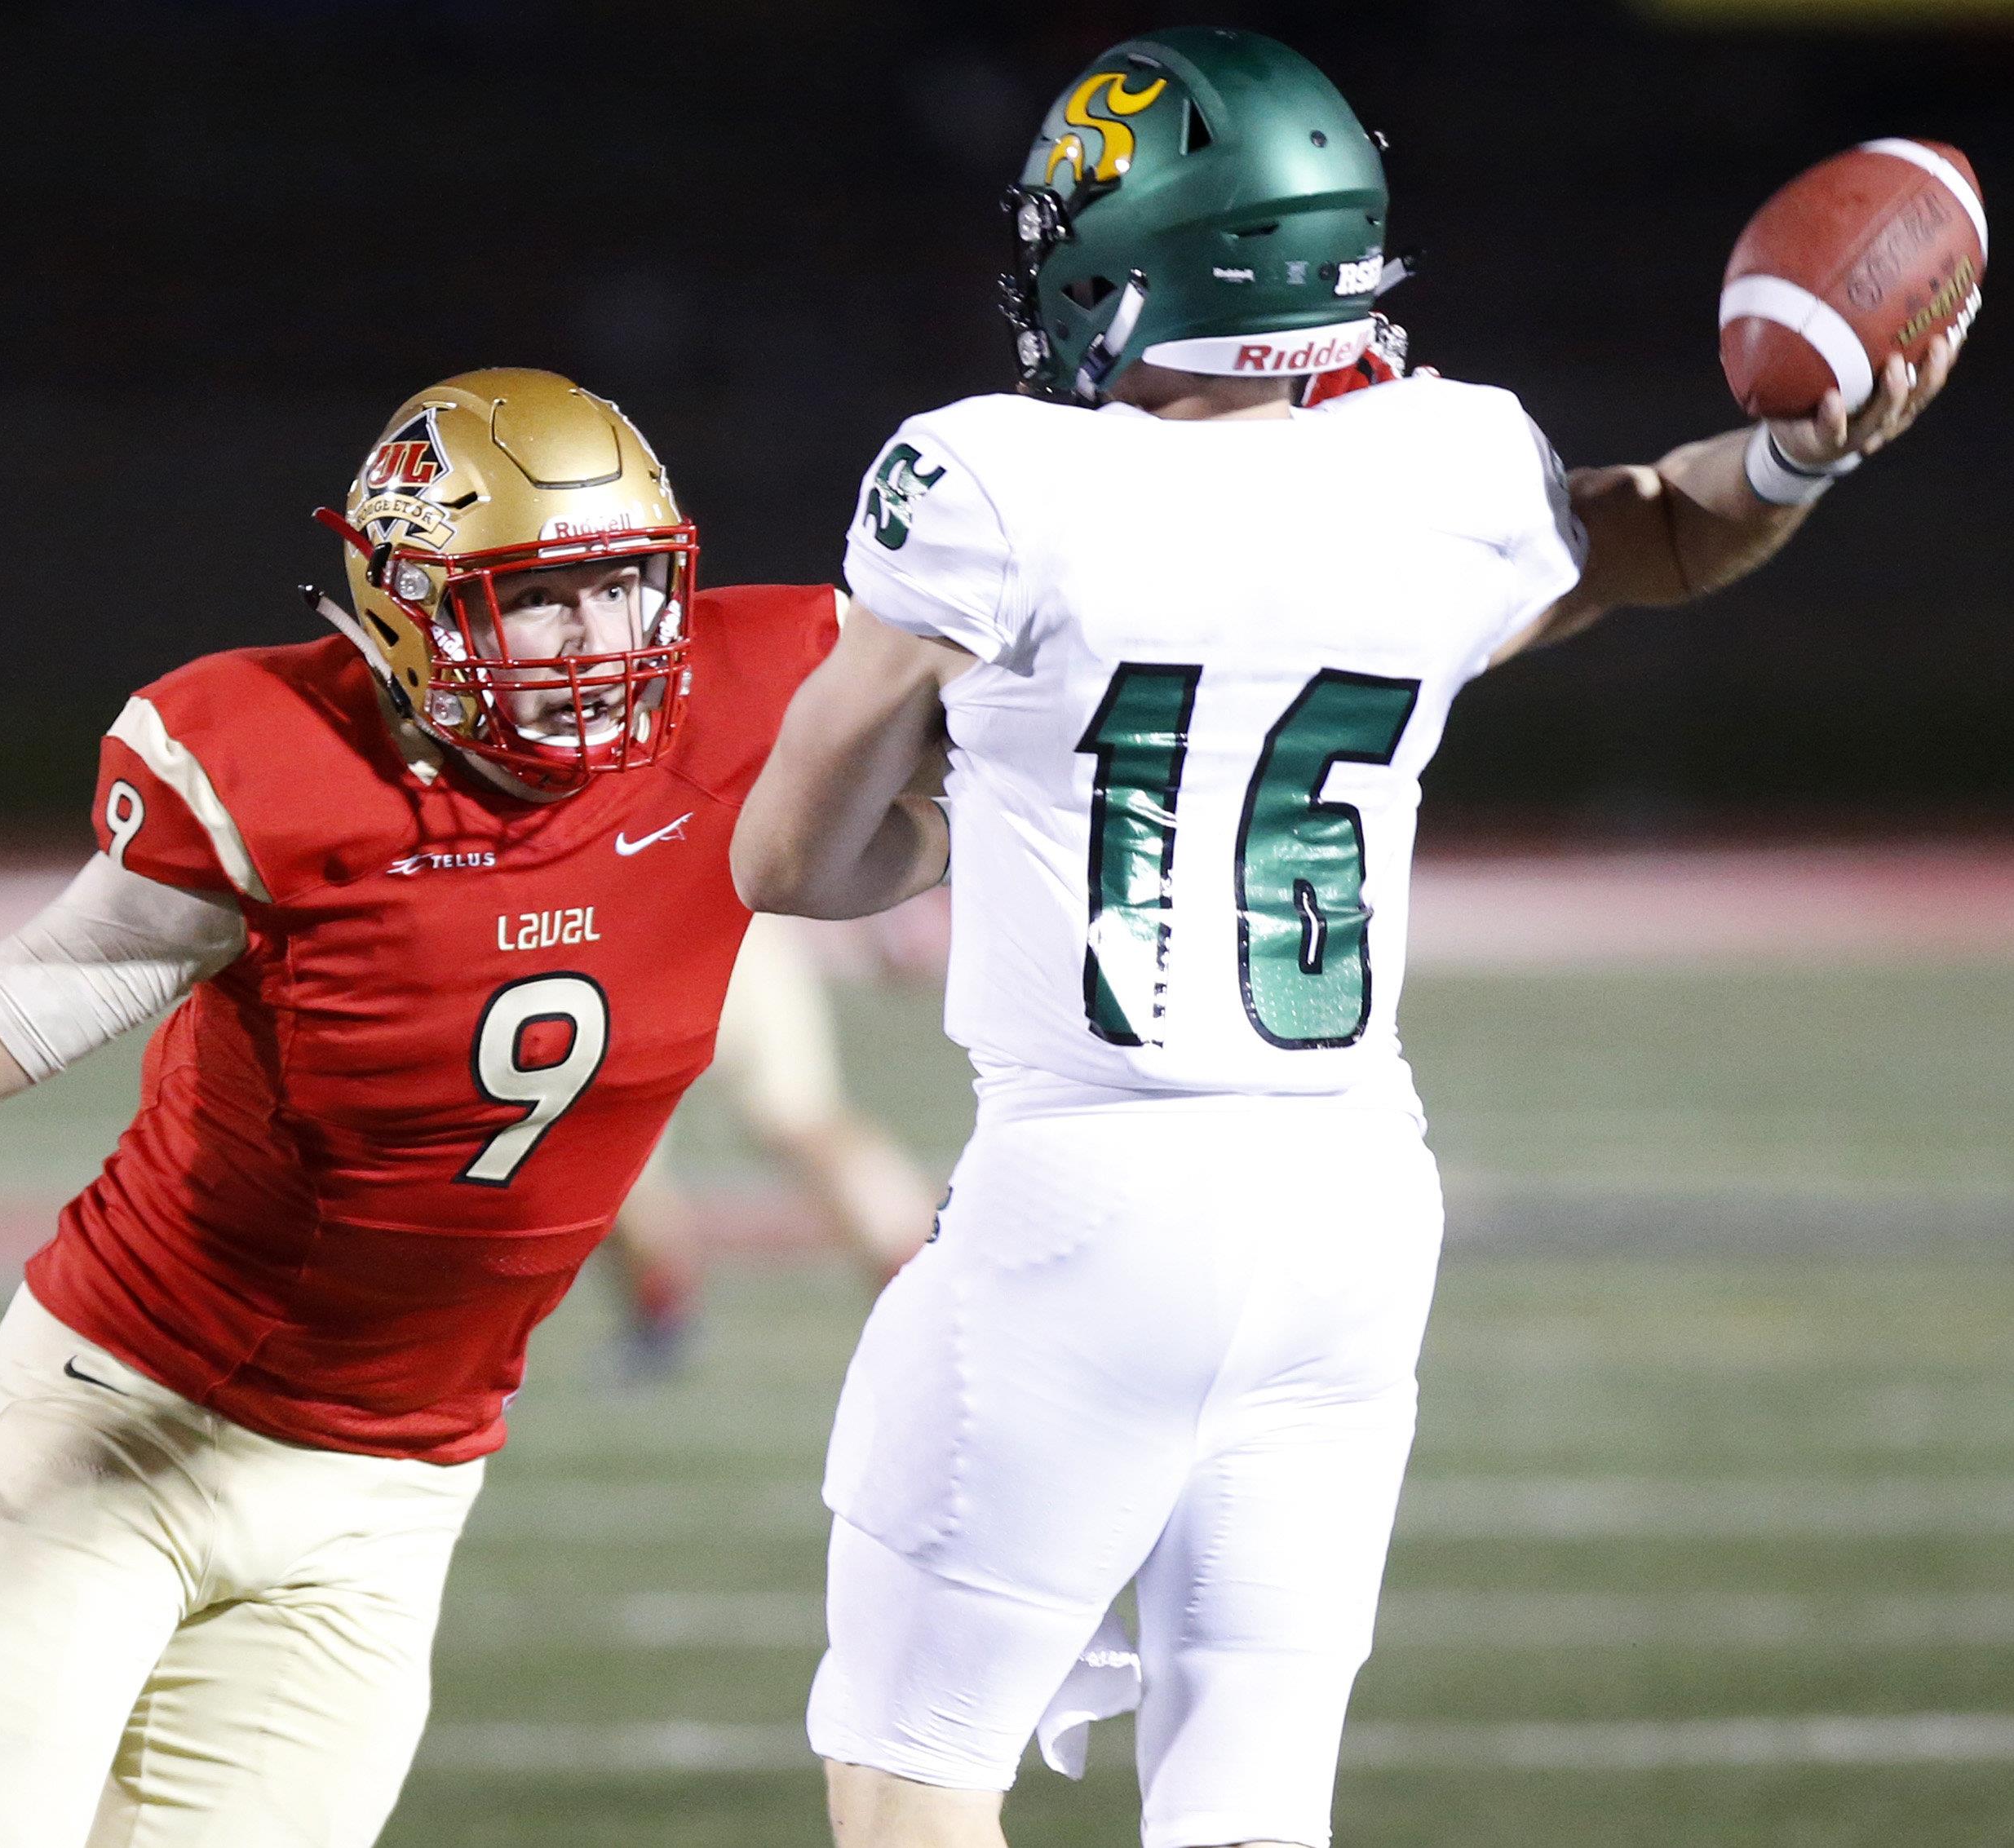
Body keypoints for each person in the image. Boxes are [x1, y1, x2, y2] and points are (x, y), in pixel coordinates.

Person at [730, 29, 1966, 1848]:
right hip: (1347, 1205)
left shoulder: (989, 481)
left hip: (1090, 1184)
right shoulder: (1443, 469)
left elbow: (782, 855)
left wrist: (953, 816)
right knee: (1248, 1795)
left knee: (912, 1759)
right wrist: (1792, 455)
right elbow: (1645, 539)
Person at [0, 368, 843, 1848]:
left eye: (626, 589)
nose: (604, 647)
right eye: (547, 602)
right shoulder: (276, 776)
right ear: (411, 608)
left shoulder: (756, 694)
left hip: (395, 1487)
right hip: (128, 1417)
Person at [601, 909, 936, 1376]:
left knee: (608, 1149)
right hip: (731, 923)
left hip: (640, 935)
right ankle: (930, 1298)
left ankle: (660, 1317)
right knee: (803, 1120)